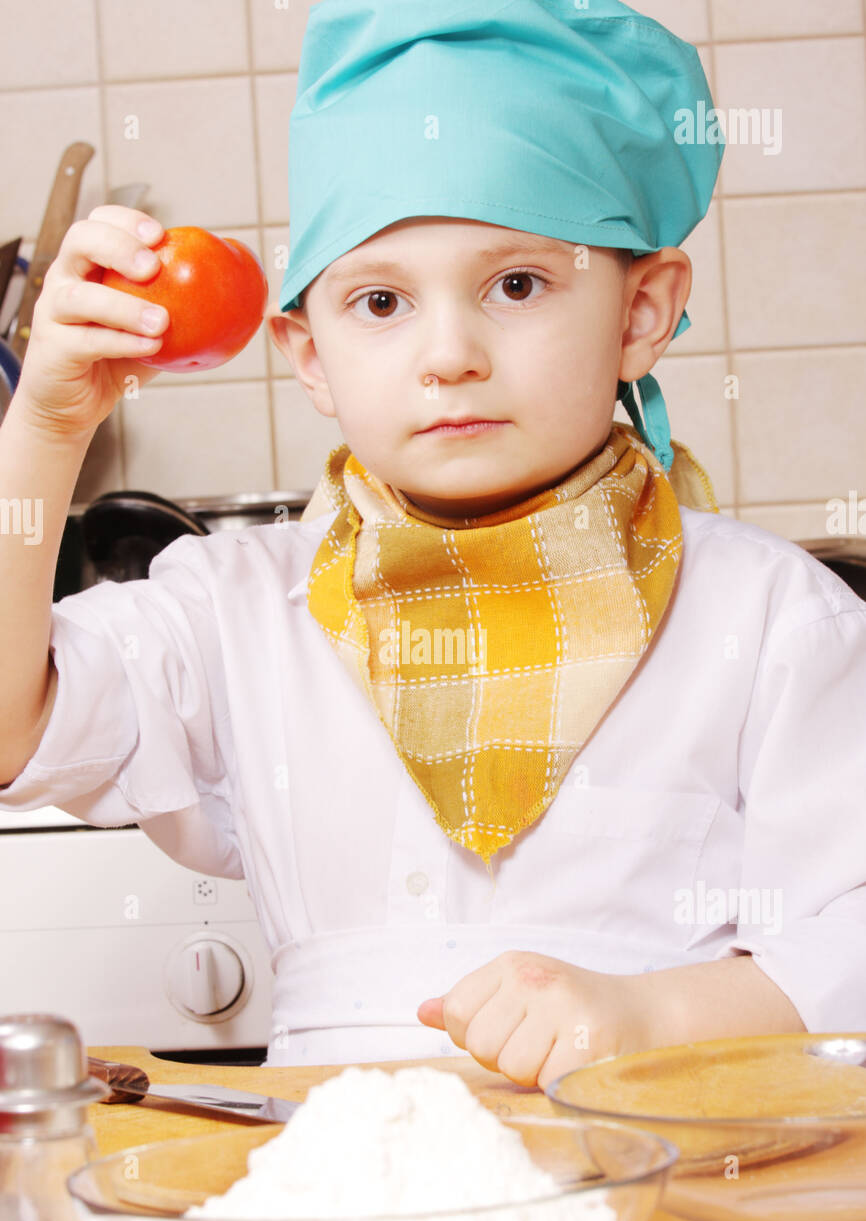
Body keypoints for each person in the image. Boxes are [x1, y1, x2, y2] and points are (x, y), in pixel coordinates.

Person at [1, 0, 864, 1089]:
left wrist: (655, 1013)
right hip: (338, 1219)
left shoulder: (770, 616)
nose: (447, 352)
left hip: (674, 1210)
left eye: (515, 284)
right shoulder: (236, 608)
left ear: (640, 311)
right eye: (379, 300)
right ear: (307, 357)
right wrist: (45, 428)